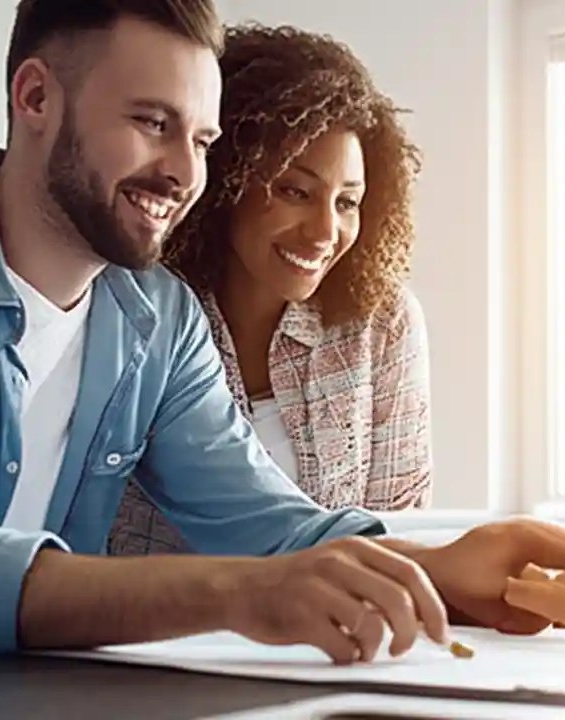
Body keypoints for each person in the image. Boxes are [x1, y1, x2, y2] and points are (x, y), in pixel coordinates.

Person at [0, 0, 565, 661]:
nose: (183, 175)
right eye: (152, 123)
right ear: (34, 97)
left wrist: (446, 566)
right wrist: (240, 593)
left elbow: (269, 528)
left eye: (201, 142)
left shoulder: (156, 321)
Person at [109, 24, 431, 556]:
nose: (325, 232)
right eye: (295, 191)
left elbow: (398, 524)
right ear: (227, 176)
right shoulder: (141, 311)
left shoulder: (383, 323)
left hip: (329, 632)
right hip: (151, 631)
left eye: (347, 202)